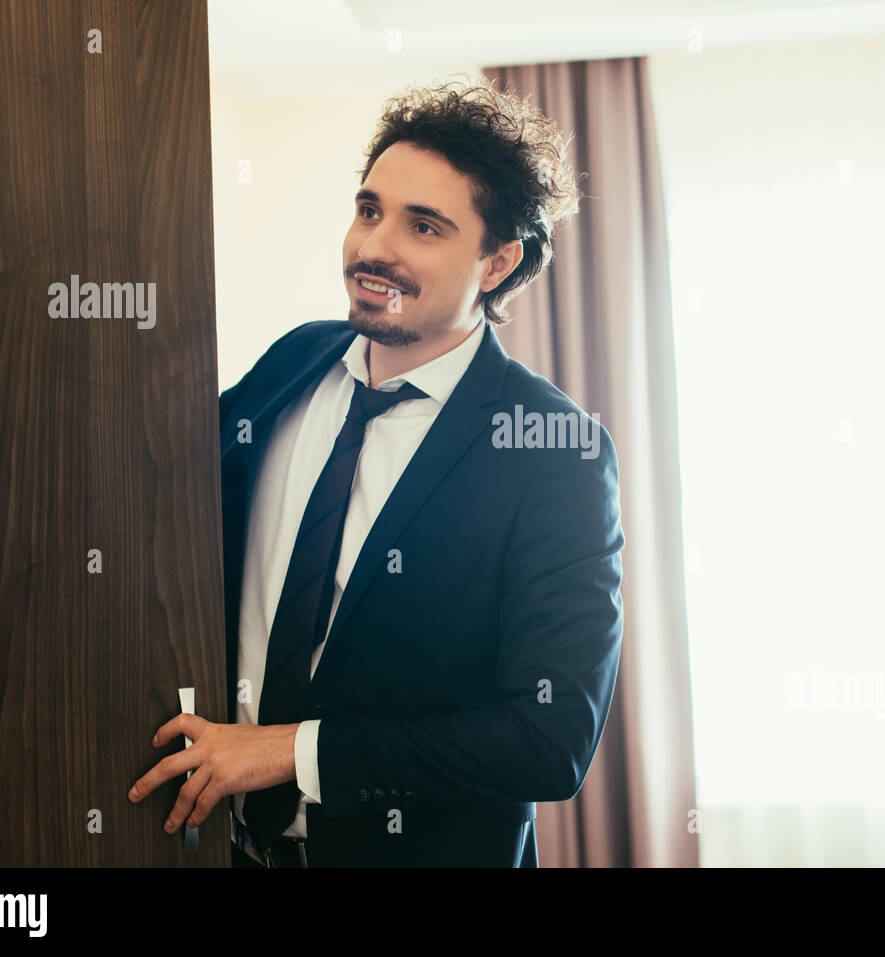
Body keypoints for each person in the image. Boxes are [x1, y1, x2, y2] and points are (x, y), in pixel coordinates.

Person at [128, 73, 624, 867]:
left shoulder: (553, 452)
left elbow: (549, 739)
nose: (373, 248)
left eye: (424, 226)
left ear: (497, 262)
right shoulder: (294, 360)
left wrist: (290, 752)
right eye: (369, 210)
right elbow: (155, 493)